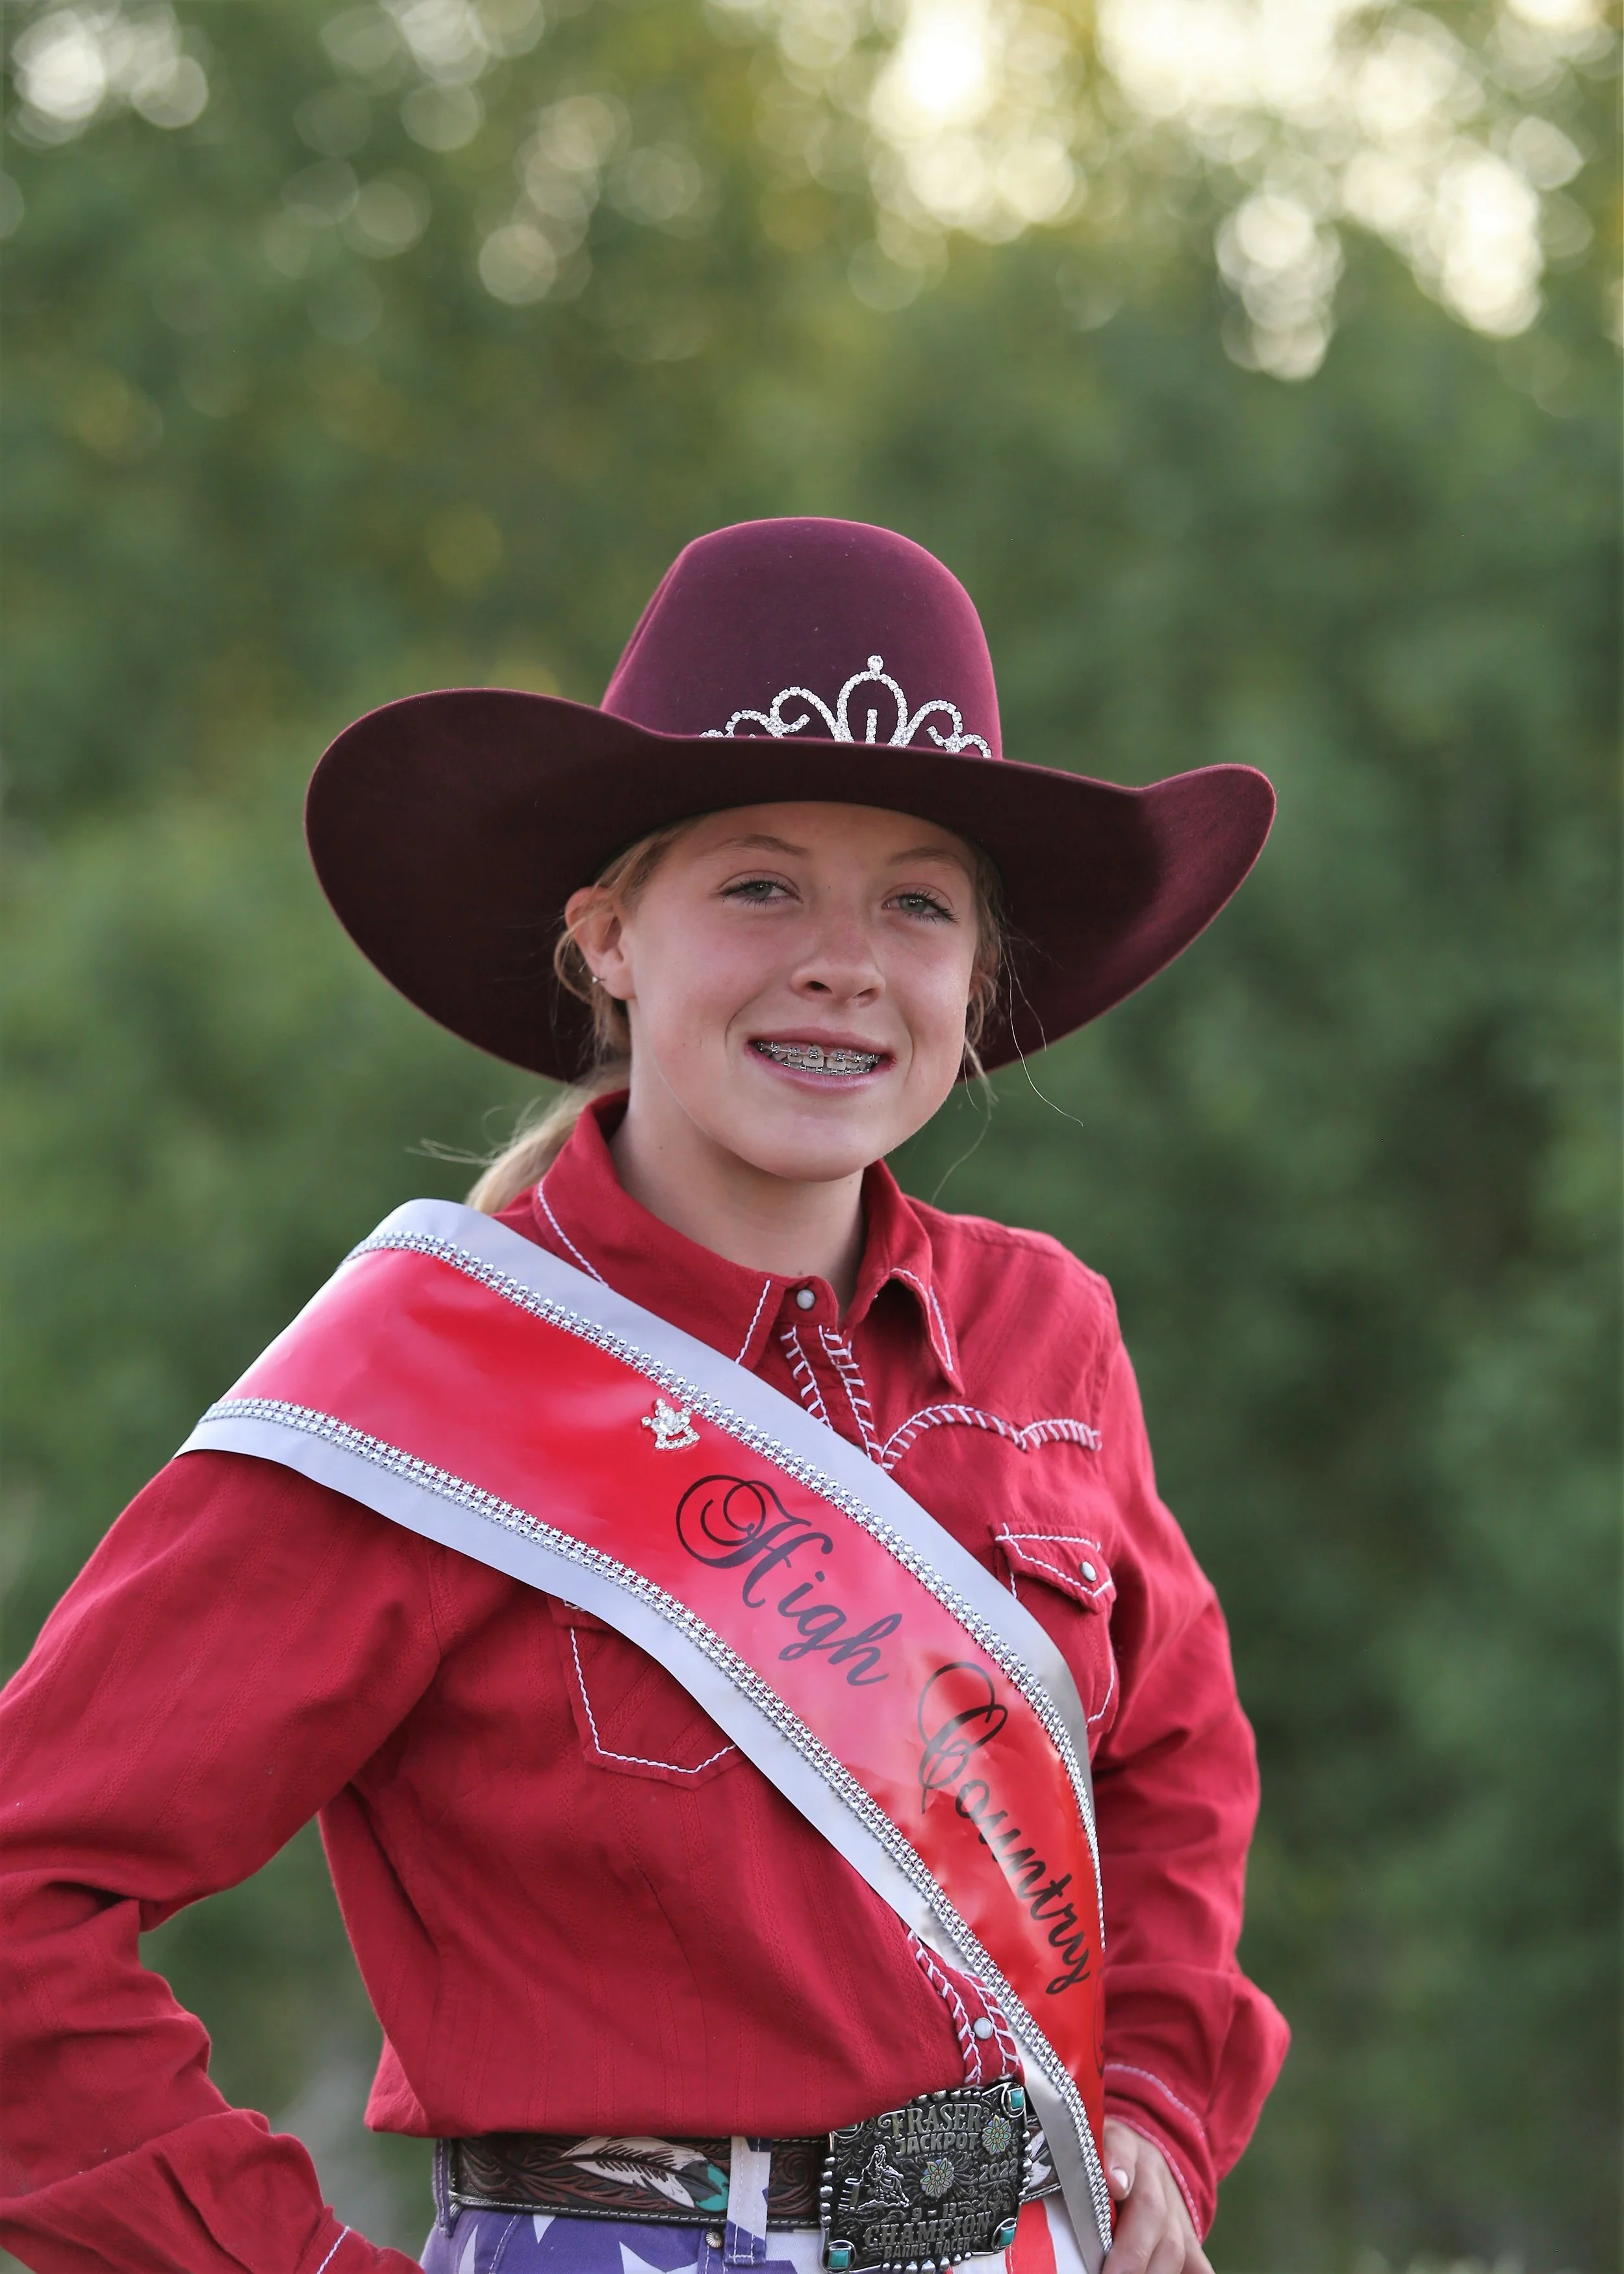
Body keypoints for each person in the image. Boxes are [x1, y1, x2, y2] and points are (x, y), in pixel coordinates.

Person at [0, 518, 1289, 2274]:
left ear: (972, 977)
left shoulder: (1044, 1335)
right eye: (759, 885)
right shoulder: (414, 1390)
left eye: (915, 902)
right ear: (606, 936)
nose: (842, 958)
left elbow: (1171, 1770)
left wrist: (1149, 2097)